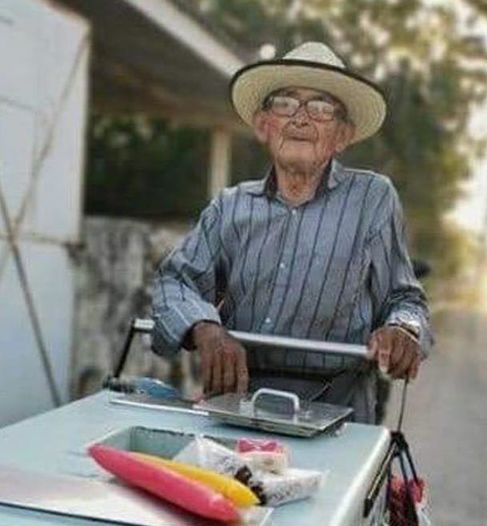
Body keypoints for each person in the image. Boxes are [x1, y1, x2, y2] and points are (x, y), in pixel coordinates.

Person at [151, 42, 432, 424]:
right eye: (285, 103)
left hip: (340, 415)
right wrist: (206, 328)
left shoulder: (373, 198)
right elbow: (174, 280)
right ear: (264, 125)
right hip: (235, 406)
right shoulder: (230, 205)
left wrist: (402, 328)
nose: (300, 119)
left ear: (342, 136)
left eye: (320, 108)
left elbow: (405, 298)